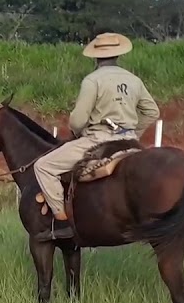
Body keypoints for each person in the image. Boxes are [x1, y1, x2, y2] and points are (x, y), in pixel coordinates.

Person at [32, 32, 160, 242]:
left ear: (96, 56)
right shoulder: (134, 80)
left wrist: (77, 130)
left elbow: (77, 121)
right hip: (128, 139)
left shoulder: (92, 80)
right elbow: (152, 111)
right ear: (118, 55)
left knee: (43, 166)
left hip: (98, 138)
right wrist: (133, 133)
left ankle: (62, 222)